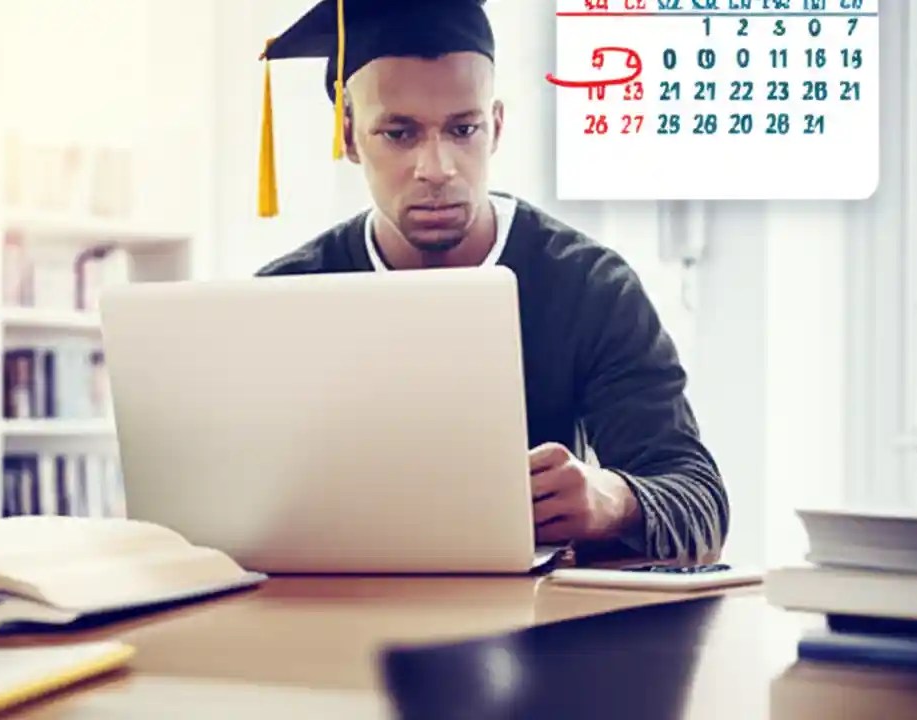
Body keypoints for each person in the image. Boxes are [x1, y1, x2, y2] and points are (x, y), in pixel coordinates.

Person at [252, 0, 728, 564]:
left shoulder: (589, 287)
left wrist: (612, 499)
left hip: (538, 631)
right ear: (350, 137)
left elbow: (700, 502)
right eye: (400, 133)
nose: (438, 167)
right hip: (328, 622)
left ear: (496, 127)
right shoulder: (284, 300)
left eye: (464, 129)